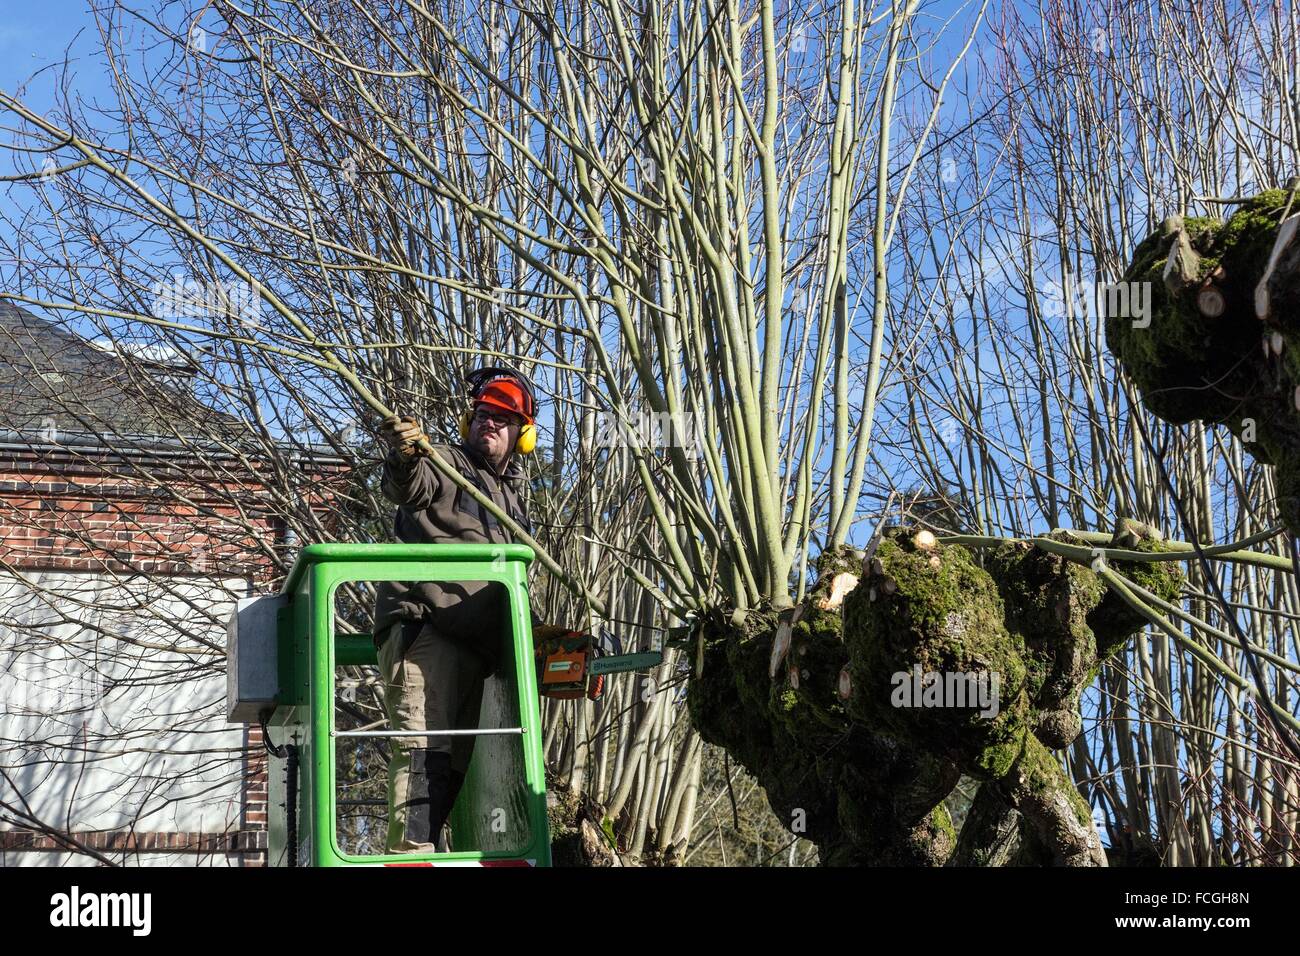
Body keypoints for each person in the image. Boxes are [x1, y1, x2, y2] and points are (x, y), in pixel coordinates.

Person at [373, 365, 542, 853]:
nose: (490, 422)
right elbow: (409, 486)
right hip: (426, 630)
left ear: (522, 435)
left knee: (451, 772)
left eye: (503, 418)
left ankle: (426, 852)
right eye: (483, 414)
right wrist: (405, 455)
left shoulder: (510, 500)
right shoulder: (444, 465)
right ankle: (411, 860)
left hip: (474, 647)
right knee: (425, 757)